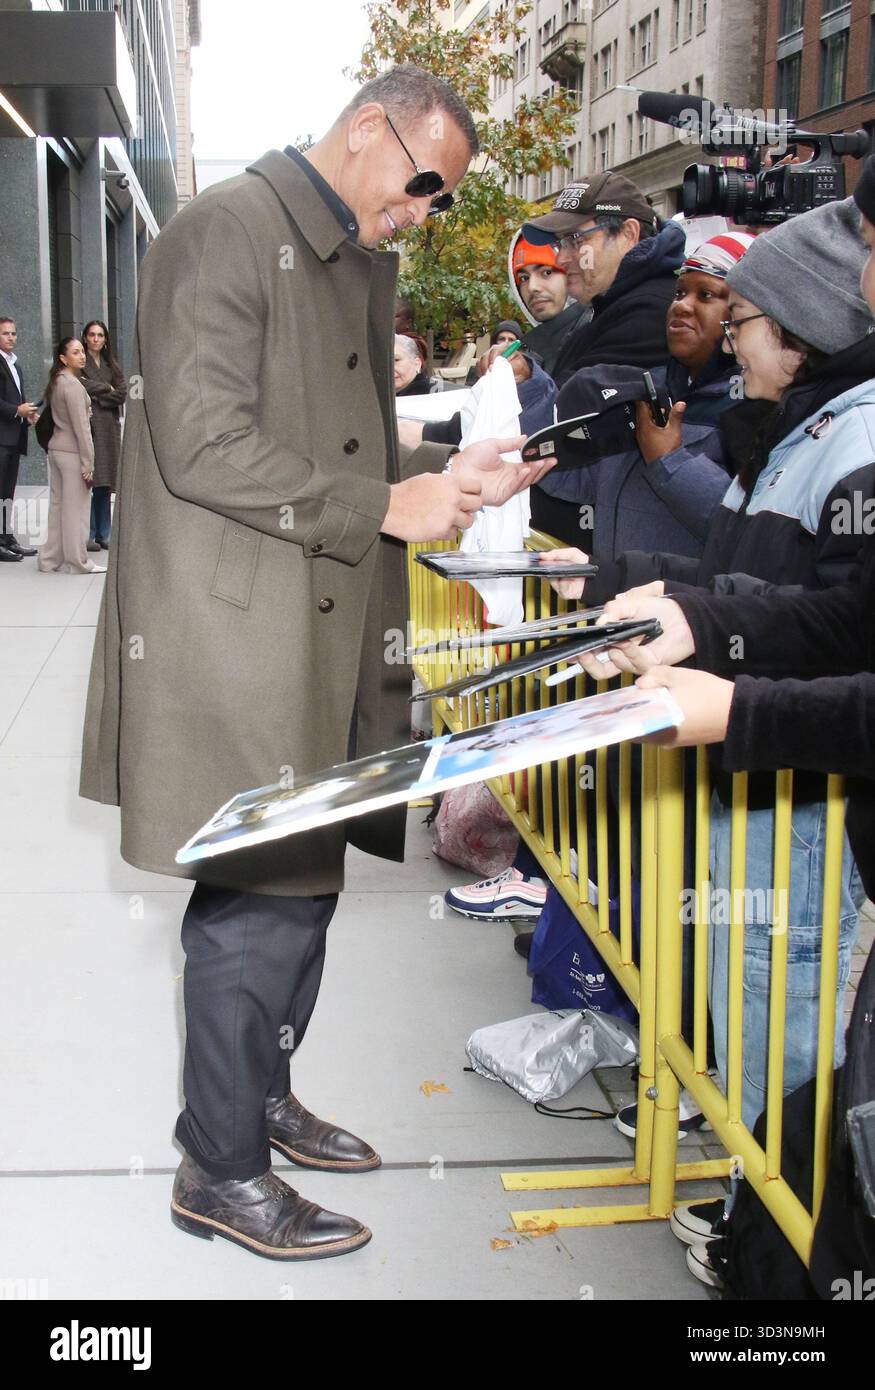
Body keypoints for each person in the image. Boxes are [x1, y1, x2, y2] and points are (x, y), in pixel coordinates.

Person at [79, 64, 554, 1264]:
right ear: (367, 128)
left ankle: (258, 1094)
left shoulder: (336, 250)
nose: (425, 212)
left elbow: (329, 436)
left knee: (305, 887)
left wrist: (447, 470)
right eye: (425, 183)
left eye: (442, 199)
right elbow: (202, 443)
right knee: (256, 903)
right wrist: (386, 505)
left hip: (318, 621)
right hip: (235, 638)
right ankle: (218, 1167)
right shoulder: (225, 230)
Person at [548, 190, 875, 1288]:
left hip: (794, 793)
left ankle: (779, 1239)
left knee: (782, 1016)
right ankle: (757, 1209)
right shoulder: (795, 430)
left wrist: (718, 662)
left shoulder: (853, 437)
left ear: (798, 328)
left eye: (741, 320)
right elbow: (739, 578)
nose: (727, 337)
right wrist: (612, 579)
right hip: (756, 771)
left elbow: (830, 621)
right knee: (748, 1007)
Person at [444, 231, 752, 932]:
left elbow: (739, 532)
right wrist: (550, 415)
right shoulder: (650, 392)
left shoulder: (746, 416)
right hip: (617, 635)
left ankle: (637, 951)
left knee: (667, 830)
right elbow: (576, 482)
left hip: (689, 650)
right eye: (681, 292)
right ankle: (584, 934)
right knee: (611, 799)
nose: (684, 307)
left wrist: (669, 459)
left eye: (709, 297)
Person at [38, 337, 105, 576]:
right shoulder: (73, 386)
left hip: (57, 450)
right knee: (76, 511)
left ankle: (48, 559)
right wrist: (88, 463)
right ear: (63, 358)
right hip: (72, 453)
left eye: (81, 351)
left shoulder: (57, 381)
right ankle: (78, 562)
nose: (82, 355)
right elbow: (82, 429)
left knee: (58, 508)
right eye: (75, 352)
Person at [508, 232, 585, 377]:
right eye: (524, 278)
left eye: (547, 272)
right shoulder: (534, 349)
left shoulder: (594, 338)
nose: (532, 287)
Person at [80, 320, 127, 551]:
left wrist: (99, 396)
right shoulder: (80, 361)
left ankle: (104, 533)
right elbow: (81, 385)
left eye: (100, 335)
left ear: (105, 339)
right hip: (90, 426)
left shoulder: (111, 364)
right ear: (85, 337)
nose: (96, 339)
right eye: (92, 335)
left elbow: (122, 393)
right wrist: (106, 389)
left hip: (109, 428)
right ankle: (89, 533)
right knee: (91, 481)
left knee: (105, 482)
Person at [0, 315, 39, 560]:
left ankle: (6, 538)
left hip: (14, 438)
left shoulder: (15, 364)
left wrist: (27, 413)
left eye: (13, 333)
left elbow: (17, 398)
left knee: (7, 493)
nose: (11, 337)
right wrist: (17, 410)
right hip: (1, 439)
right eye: (5, 333)